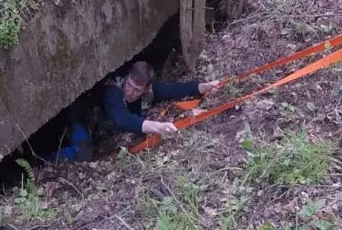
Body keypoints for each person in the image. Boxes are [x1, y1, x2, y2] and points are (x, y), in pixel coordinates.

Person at [51, 61, 221, 162]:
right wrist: (155, 127)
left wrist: (202, 87)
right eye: (129, 86)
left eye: (136, 90)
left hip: (100, 130)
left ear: (145, 90)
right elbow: (121, 119)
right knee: (83, 152)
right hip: (82, 120)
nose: (130, 92)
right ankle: (40, 161)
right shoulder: (113, 91)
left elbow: (173, 89)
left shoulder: (148, 93)